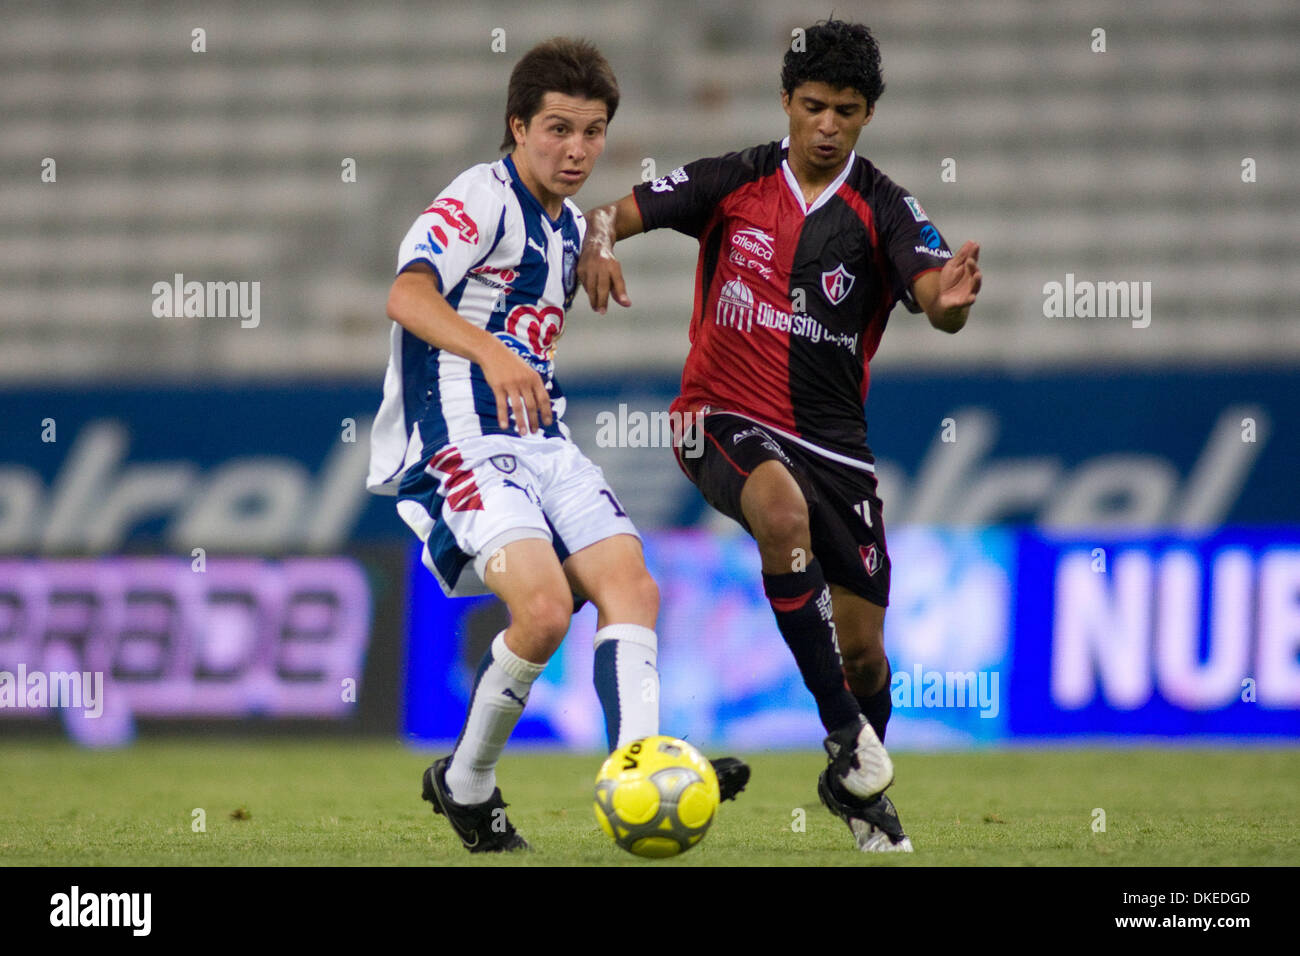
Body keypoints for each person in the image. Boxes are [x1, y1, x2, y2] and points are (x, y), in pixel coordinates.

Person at [578, 19, 982, 852]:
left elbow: (937, 300)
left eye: (847, 110)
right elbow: (609, 214)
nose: (828, 125)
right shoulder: (735, 179)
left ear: (867, 115)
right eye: (813, 106)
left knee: (867, 655)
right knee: (781, 514)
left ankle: (856, 790)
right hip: (717, 418)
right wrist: (597, 241)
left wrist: (954, 299)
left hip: (836, 448)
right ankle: (846, 739)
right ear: (787, 103)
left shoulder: (884, 206)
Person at [366, 37, 748, 854]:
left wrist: (602, 244)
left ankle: (640, 769)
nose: (577, 150)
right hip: (458, 442)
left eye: (594, 131)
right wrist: (492, 351)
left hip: (544, 441)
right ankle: (465, 782)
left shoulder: (569, 223)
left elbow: (591, 219)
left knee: (632, 588)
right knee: (541, 613)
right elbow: (405, 293)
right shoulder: (480, 196)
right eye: (558, 130)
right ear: (517, 127)